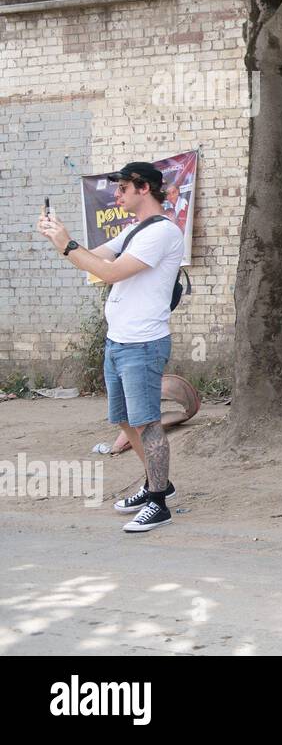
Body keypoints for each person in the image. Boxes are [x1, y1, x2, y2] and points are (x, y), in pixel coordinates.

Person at [38, 161, 185, 532]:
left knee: (147, 423)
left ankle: (158, 503)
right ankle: (155, 483)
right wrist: (62, 241)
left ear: (143, 188)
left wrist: (68, 245)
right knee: (123, 419)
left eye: (121, 189)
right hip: (118, 341)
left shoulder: (162, 232)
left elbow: (112, 272)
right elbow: (97, 258)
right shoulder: (137, 230)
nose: (116, 195)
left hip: (143, 344)